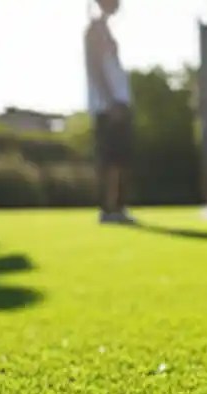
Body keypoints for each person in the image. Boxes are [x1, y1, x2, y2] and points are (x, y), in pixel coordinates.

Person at [86, 0, 135, 225]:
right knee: (111, 160)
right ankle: (108, 208)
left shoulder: (106, 30)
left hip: (119, 102)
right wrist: (110, 101)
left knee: (122, 159)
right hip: (108, 106)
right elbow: (96, 68)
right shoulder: (95, 31)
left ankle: (119, 206)